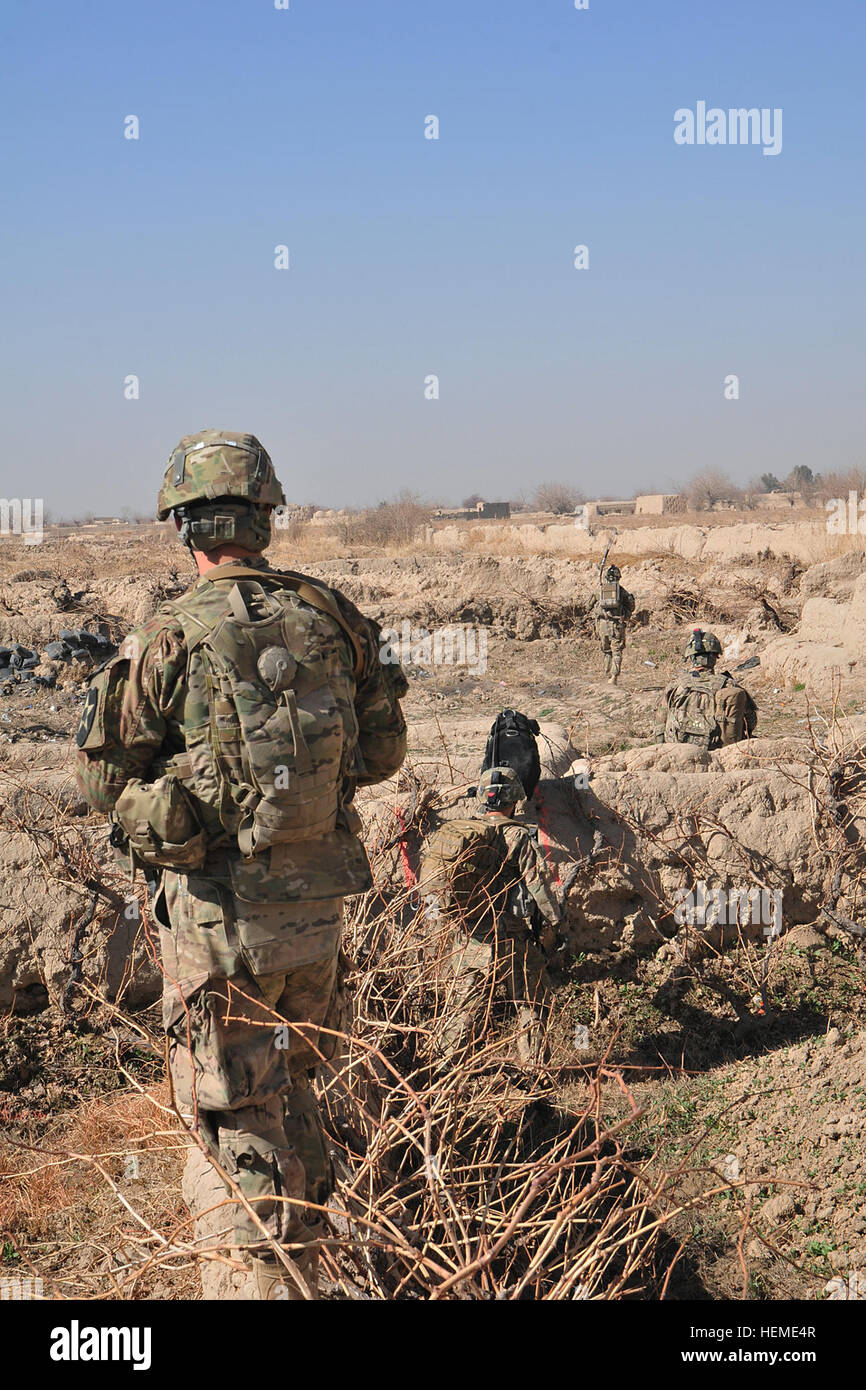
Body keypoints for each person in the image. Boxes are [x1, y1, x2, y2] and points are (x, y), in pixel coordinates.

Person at [74, 429, 407, 1300]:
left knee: (237, 1117)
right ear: (266, 516)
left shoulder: (169, 633)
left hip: (223, 929)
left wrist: (180, 808)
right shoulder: (331, 617)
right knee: (297, 1089)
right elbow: (382, 752)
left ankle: (262, 1281)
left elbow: (103, 777)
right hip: (320, 917)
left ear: (184, 526)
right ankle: (315, 1261)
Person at [417, 766, 561, 1066]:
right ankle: (536, 1073)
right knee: (533, 1001)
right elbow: (539, 888)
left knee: (463, 1008)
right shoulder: (518, 836)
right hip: (508, 936)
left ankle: (439, 1071)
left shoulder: (466, 832)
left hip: (468, 934)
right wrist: (558, 924)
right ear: (515, 799)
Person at [654, 627, 757, 748]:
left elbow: (660, 724)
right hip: (715, 750)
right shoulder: (728, 685)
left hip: (678, 748)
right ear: (715, 657)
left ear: (691, 657)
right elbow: (751, 722)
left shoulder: (675, 686)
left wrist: (661, 750)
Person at [593, 565, 635, 684]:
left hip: (602, 625)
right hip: (616, 625)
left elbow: (588, 605)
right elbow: (631, 606)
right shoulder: (621, 591)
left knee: (606, 651)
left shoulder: (600, 590)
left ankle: (607, 674)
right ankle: (614, 677)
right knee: (616, 651)